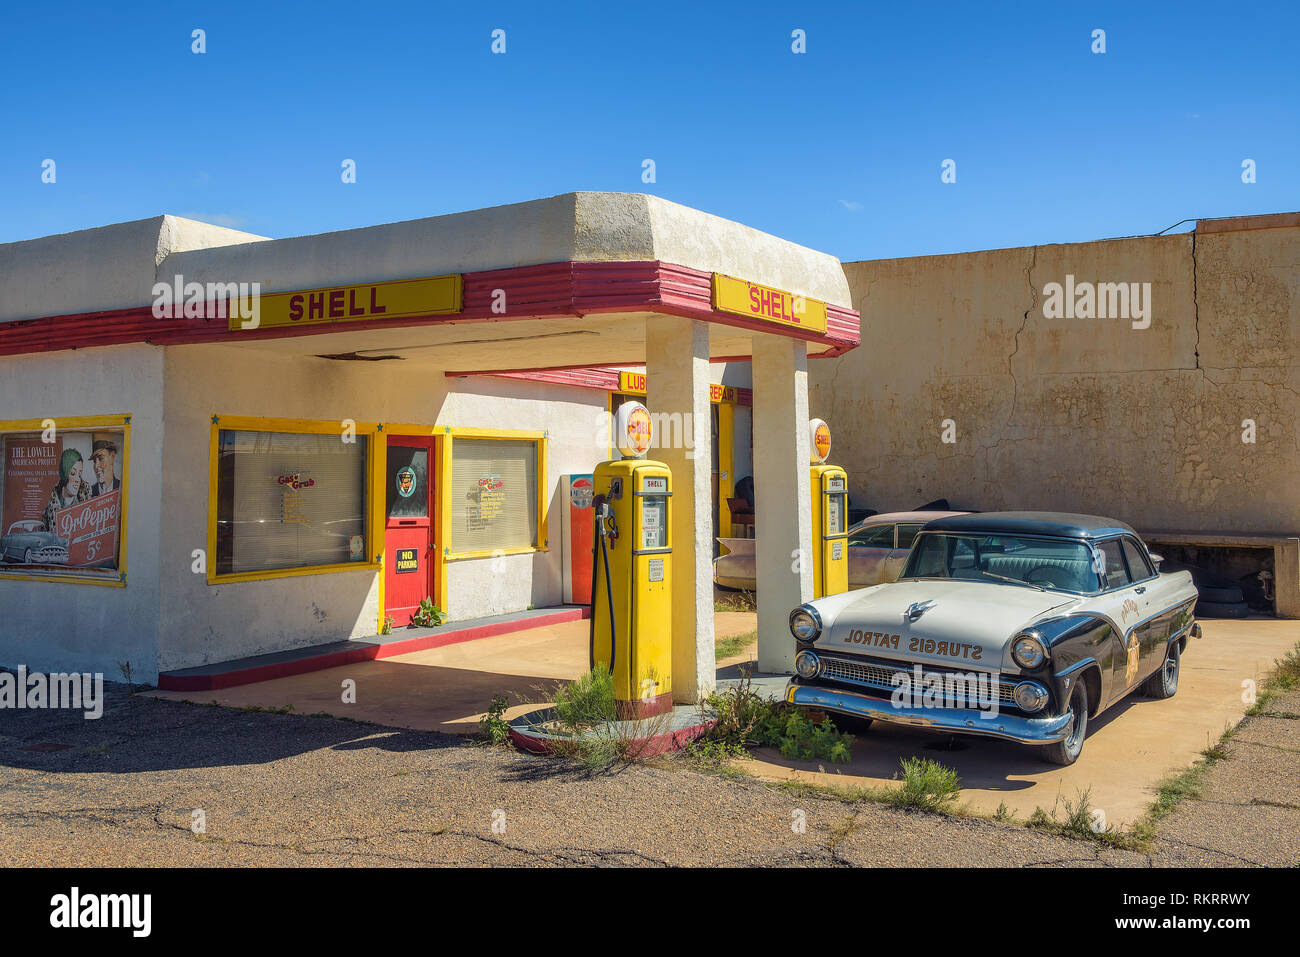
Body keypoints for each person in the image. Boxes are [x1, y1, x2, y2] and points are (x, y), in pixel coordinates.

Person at [42, 449, 91, 531]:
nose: (77, 480)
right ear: (64, 473)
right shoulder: (51, 507)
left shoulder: (86, 502)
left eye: (79, 474)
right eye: (72, 473)